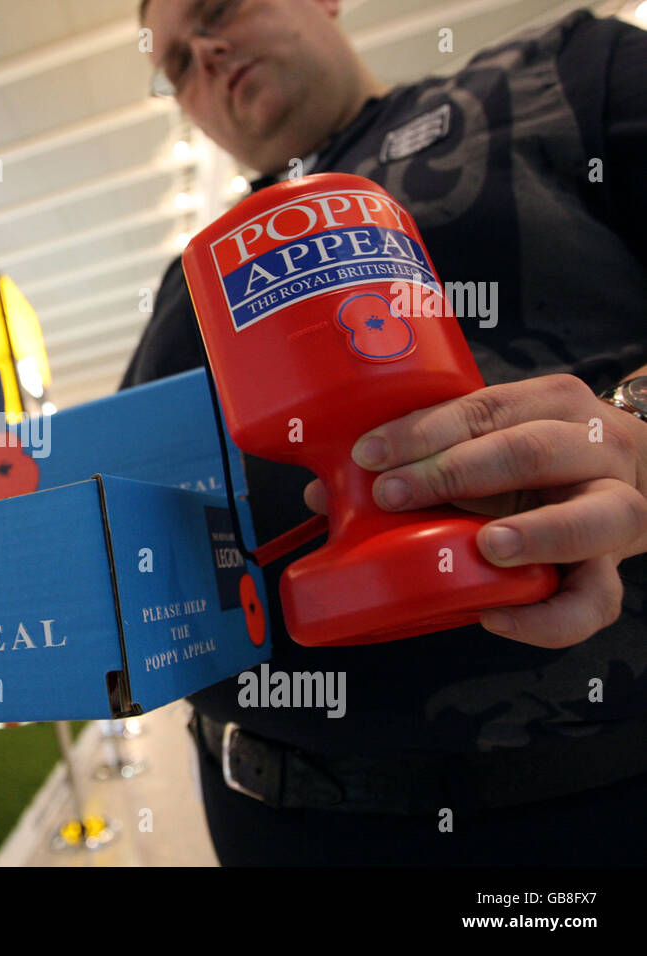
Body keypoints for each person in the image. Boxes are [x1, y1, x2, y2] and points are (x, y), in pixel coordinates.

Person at [127, 0, 647, 864]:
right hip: (269, 815)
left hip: (594, 801)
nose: (207, 56)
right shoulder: (185, 281)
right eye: (176, 64)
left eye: (219, 9)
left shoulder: (563, 72)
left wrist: (634, 425)